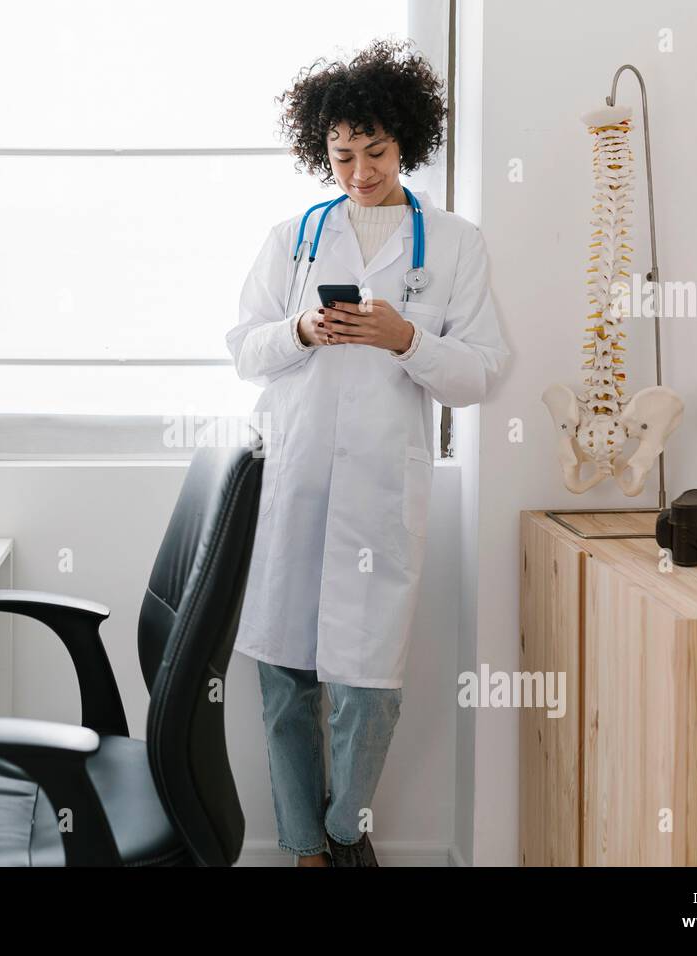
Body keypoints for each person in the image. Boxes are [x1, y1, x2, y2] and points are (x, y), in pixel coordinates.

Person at [225, 38, 508, 867]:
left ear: (406, 142)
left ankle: (349, 833)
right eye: (341, 154)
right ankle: (304, 847)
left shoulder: (453, 243)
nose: (358, 171)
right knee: (284, 678)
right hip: (300, 483)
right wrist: (303, 330)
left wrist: (406, 337)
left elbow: (479, 376)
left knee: (366, 685)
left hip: (383, 492)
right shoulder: (293, 238)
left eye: (375, 151)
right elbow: (244, 350)